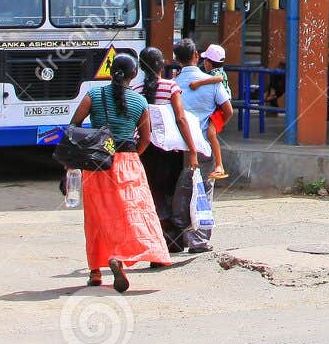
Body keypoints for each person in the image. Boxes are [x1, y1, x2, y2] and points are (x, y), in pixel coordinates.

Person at [67, 53, 171, 291]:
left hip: (96, 162)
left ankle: (95, 272)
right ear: (134, 75)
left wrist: (76, 157)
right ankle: (119, 257)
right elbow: (146, 138)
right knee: (131, 215)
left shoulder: (93, 95)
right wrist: (132, 157)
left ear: (111, 70)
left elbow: (74, 126)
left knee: (97, 218)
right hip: (128, 162)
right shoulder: (140, 102)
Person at [133, 46, 202, 256]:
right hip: (170, 149)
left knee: (154, 193)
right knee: (173, 193)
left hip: (146, 148)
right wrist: (192, 149)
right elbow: (181, 119)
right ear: (162, 64)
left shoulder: (135, 91)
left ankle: (157, 238)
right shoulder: (171, 87)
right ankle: (174, 241)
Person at [172, 39, 233, 252]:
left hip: (177, 145)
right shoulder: (213, 83)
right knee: (203, 189)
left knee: (181, 189)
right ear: (196, 56)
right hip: (203, 145)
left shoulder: (173, 84)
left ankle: (178, 237)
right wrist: (215, 127)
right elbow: (228, 111)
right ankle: (199, 239)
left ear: (175, 59)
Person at [197, 44, 230, 180]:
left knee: (211, 133)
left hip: (220, 110)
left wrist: (197, 83)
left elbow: (219, 79)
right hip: (215, 110)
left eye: (205, 60)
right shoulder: (206, 70)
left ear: (209, 63)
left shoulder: (218, 74)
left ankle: (219, 165)